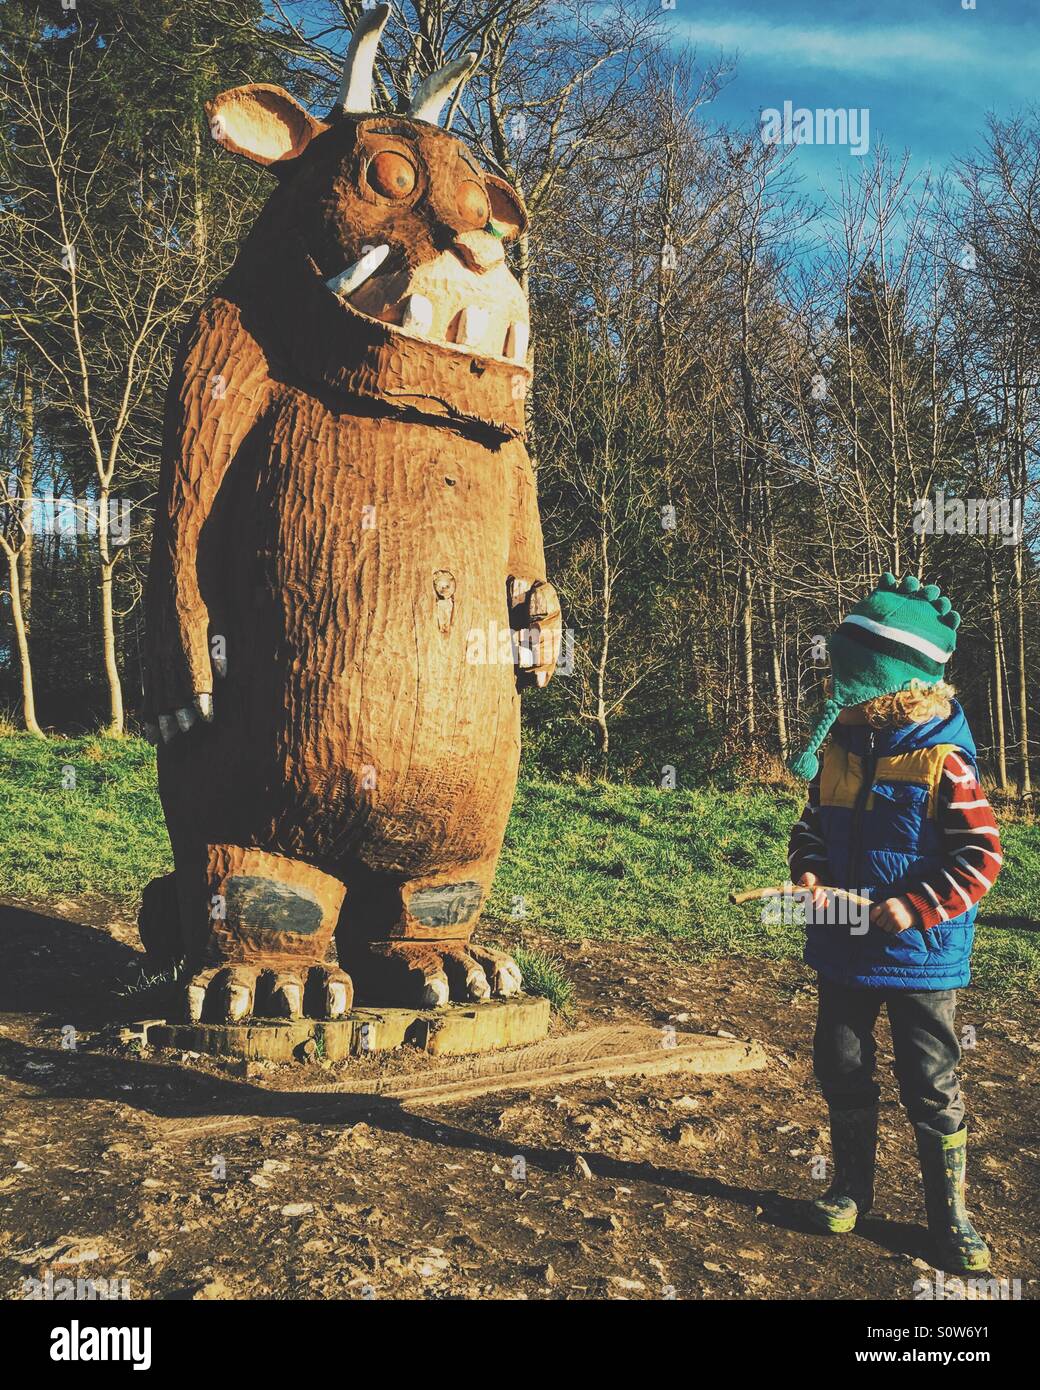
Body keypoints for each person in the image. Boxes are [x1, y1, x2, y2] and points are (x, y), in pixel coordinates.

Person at [786, 573, 1001, 1273]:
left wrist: (916, 906)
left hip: (920, 956)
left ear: (894, 690)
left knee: (930, 1080)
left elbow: (982, 855)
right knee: (840, 1062)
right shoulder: (839, 753)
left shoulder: (945, 763)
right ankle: (851, 1188)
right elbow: (810, 830)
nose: (838, 698)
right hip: (844, 946)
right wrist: (809, 871)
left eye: (852, 687)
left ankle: (950, 1217)